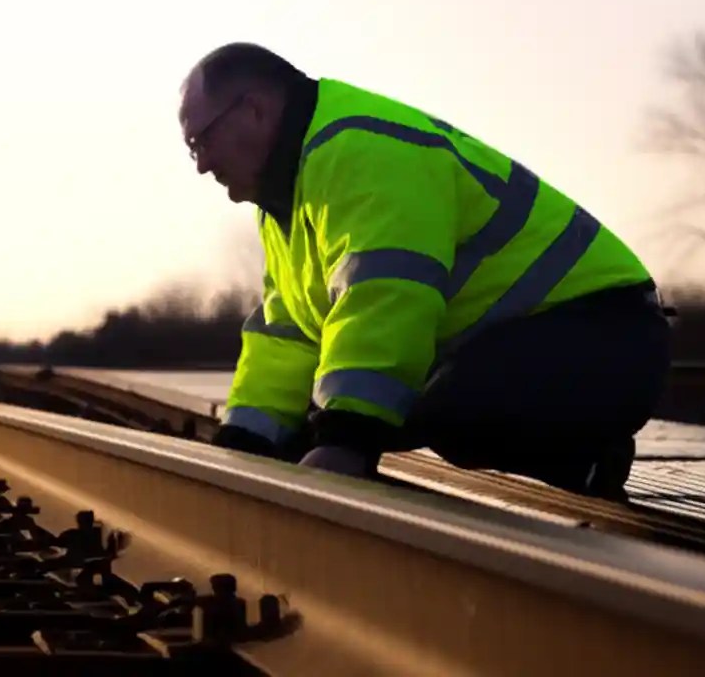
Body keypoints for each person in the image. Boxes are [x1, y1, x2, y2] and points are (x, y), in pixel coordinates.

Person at [178, 43, 672, 501]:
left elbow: (386, 297)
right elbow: (287, 332)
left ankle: (588, 460)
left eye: (202, 140)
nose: (201, 165)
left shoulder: (361, 150)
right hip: (528, 339)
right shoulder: (284, 201)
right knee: (343, 422)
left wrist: (348, 442)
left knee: (445, 412)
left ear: (254, 110)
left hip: (605, 339)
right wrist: (246, 444)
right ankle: (579, 455)